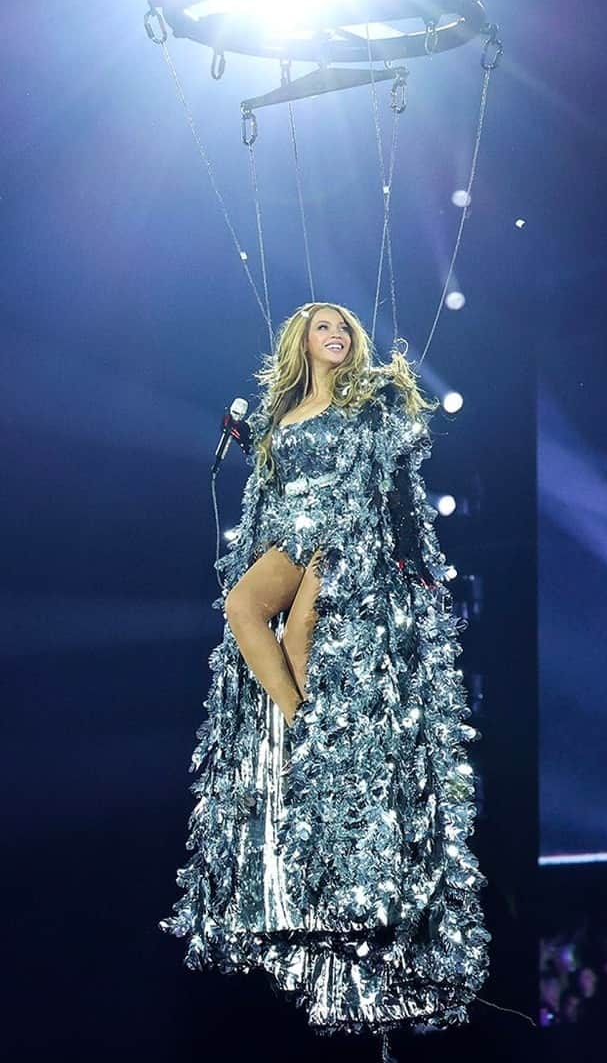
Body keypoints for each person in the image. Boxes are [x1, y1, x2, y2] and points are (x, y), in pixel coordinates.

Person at [159, 302, 490, 1044]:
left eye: (344, 329)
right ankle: (299, 723)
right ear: (301, 343)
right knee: (244, 607)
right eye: (323, 328)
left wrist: (372, 534)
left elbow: (395, 467)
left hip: (345, 534)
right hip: (289, 530)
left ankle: (315, 741)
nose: (336, 336)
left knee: (305, 627)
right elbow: (267, 494)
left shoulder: (364, 403)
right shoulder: (284, 415)